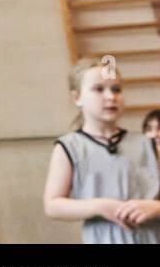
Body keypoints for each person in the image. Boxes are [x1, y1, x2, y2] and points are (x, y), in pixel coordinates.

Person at [43, 58, 160, 243]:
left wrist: (156, 208)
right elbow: (52, 205)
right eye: (99, 89)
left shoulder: (147, 144)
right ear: (77, 97)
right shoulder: (69, 147)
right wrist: (99, 206)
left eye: (116, 89)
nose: (110, 96)